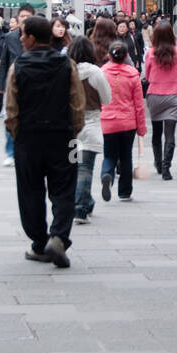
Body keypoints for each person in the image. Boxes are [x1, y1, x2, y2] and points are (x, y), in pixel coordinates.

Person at [4, 17, 86, 267]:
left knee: (30, 191)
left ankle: (39, 243)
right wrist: (74, 132)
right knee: (65, 189)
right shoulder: (66, 64)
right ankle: (59, 236)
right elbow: (77, 104)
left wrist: (17, 136)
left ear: (31, 38)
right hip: (64, 137)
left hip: (28, 138)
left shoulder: (17, 66)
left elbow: (11, 109)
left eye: (22, 35)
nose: (20, 39)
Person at [68, 37, 111, 225]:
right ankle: (81, 207)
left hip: (69, 127)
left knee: (73, 167)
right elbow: (107, 98)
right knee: (85, 168)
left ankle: (84, 202)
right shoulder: (95, 72)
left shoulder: (65, 70)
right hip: (91, 124)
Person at [100, 42, 146, 203]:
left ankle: (107, 174)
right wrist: (141, 127)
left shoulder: (102, 72)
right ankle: (125, 191)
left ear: (109, 56)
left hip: (107, 121)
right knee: (126, 156)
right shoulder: (133, 74)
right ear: (127, 56)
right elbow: (139, 104)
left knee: (109, 154)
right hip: (128, 122)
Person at [143, 21, 177, 179]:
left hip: (155, 95)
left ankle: (158, 164)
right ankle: (167, 168)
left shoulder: (150, 53)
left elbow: (146, 75)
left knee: (156, 131)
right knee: (170, 134)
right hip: (173, 95)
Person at [0, 14, 23, 166]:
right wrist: (1, 84)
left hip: (32, 85)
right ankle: (10, 152)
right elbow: (4, 62)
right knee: (9, 117)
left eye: (28, 17)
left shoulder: (40, 35)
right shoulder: (10, 37)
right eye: (22, 17)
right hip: (13, 83)